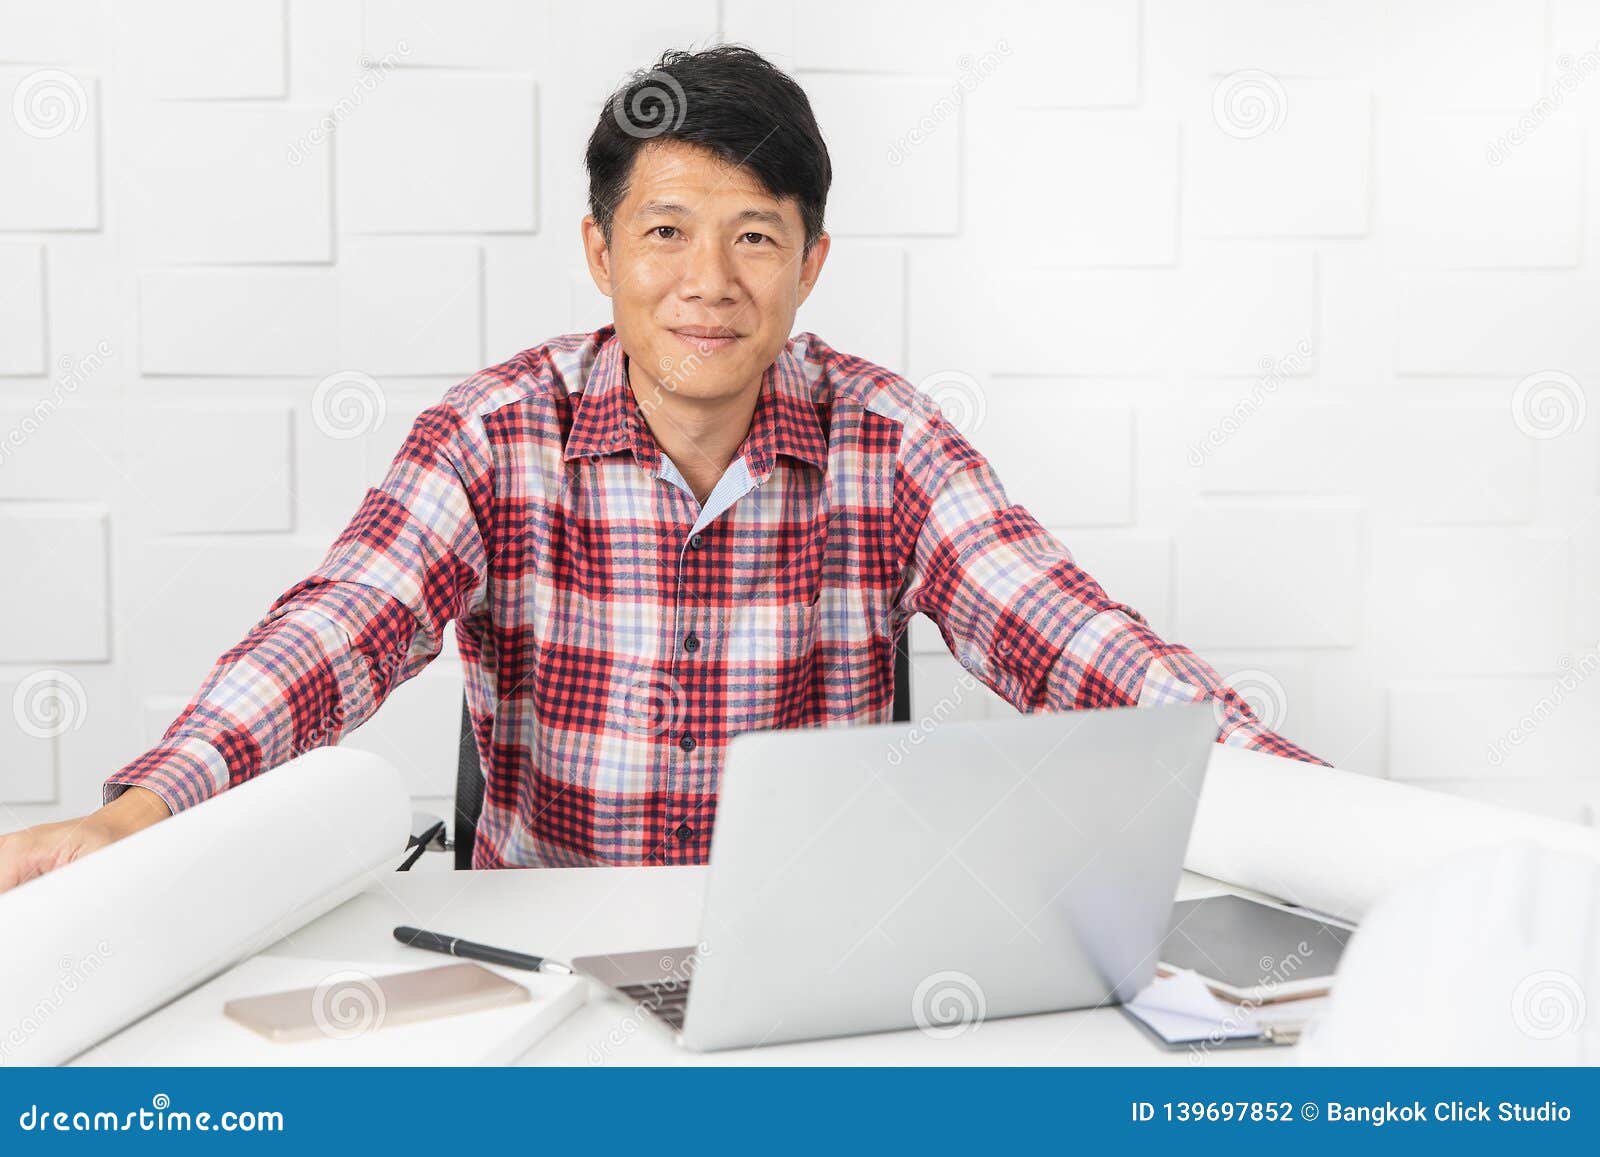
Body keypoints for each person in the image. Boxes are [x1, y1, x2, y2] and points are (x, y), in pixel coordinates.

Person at [0, 44, 1327, 893]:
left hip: (815, 964)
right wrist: (138, 813)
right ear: (600, 252)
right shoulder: (498, 432)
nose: (708, 282)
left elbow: (1074, 637)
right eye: (668, 231)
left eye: (756, 238)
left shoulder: (888, 438)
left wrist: (1322, 812)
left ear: (810, 264)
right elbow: (343, 623)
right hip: (543, 948)